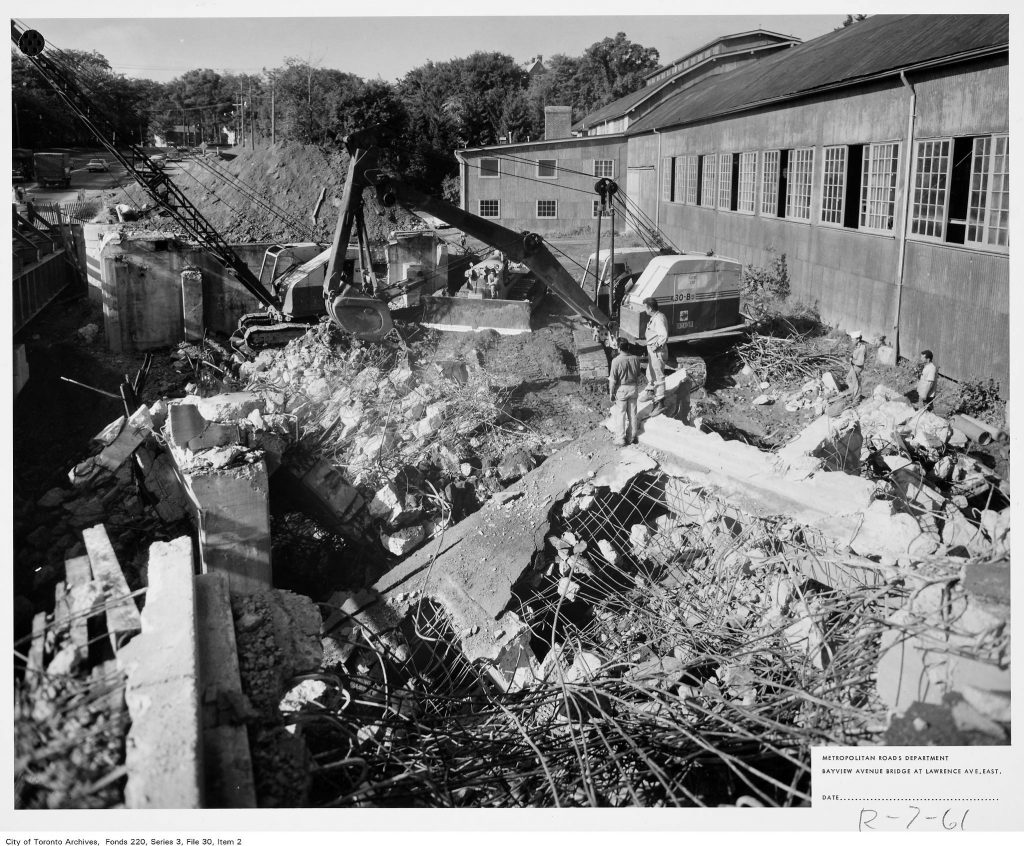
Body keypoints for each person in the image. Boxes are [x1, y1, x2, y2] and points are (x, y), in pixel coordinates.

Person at [608, 335, 643, 446]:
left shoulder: (615, 361)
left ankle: (620, 439)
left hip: (621, 390)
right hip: (633, 388)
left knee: (621, 414)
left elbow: (613, 380)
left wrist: (611, 393)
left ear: (618, 348)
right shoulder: (635, 359)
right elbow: (638, 374)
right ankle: (632, 436)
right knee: (633, 414)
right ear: (628, 347)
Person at [640, 297, 669, 415]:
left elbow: (664, 335)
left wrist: (656, 345)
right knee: (650, 372)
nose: (644, 310)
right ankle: (651, 391)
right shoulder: (655, 317)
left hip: (657, 351)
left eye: (645, 307)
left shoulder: (659, 319)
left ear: (650, 308)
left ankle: (660, 403)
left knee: (659, 376)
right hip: (652, 350)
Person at [846, 330, 867, 401]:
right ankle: (853, 394)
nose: (852, 340)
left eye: (853, 339)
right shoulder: (857, 346)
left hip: (857, 367)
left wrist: (852, 360)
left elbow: (860, 362)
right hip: (854, 366)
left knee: (855, 383)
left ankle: (856, 399)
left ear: (858, 339)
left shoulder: (862, 348)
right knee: (848, 379)